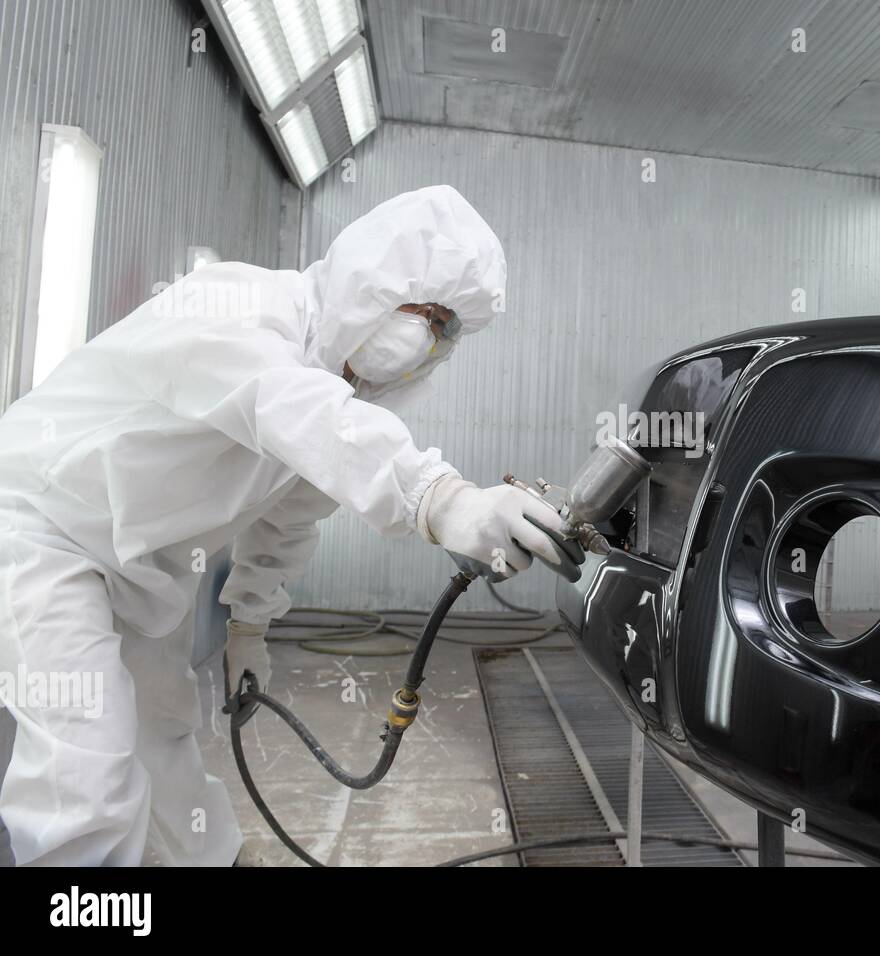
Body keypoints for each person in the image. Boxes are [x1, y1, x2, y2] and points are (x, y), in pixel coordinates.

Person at [0, 185, 574, 865]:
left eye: (445, 328)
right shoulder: (244, 308)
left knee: (161, 733)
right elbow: (290, 407)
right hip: (41, 531)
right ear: (369, 276)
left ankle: (217, 862)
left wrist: (249, 625)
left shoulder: (334, 389)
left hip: (139, 570)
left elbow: (291, 519)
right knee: (85, 769)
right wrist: (443, 500)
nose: (425, 338)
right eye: (422, 310)